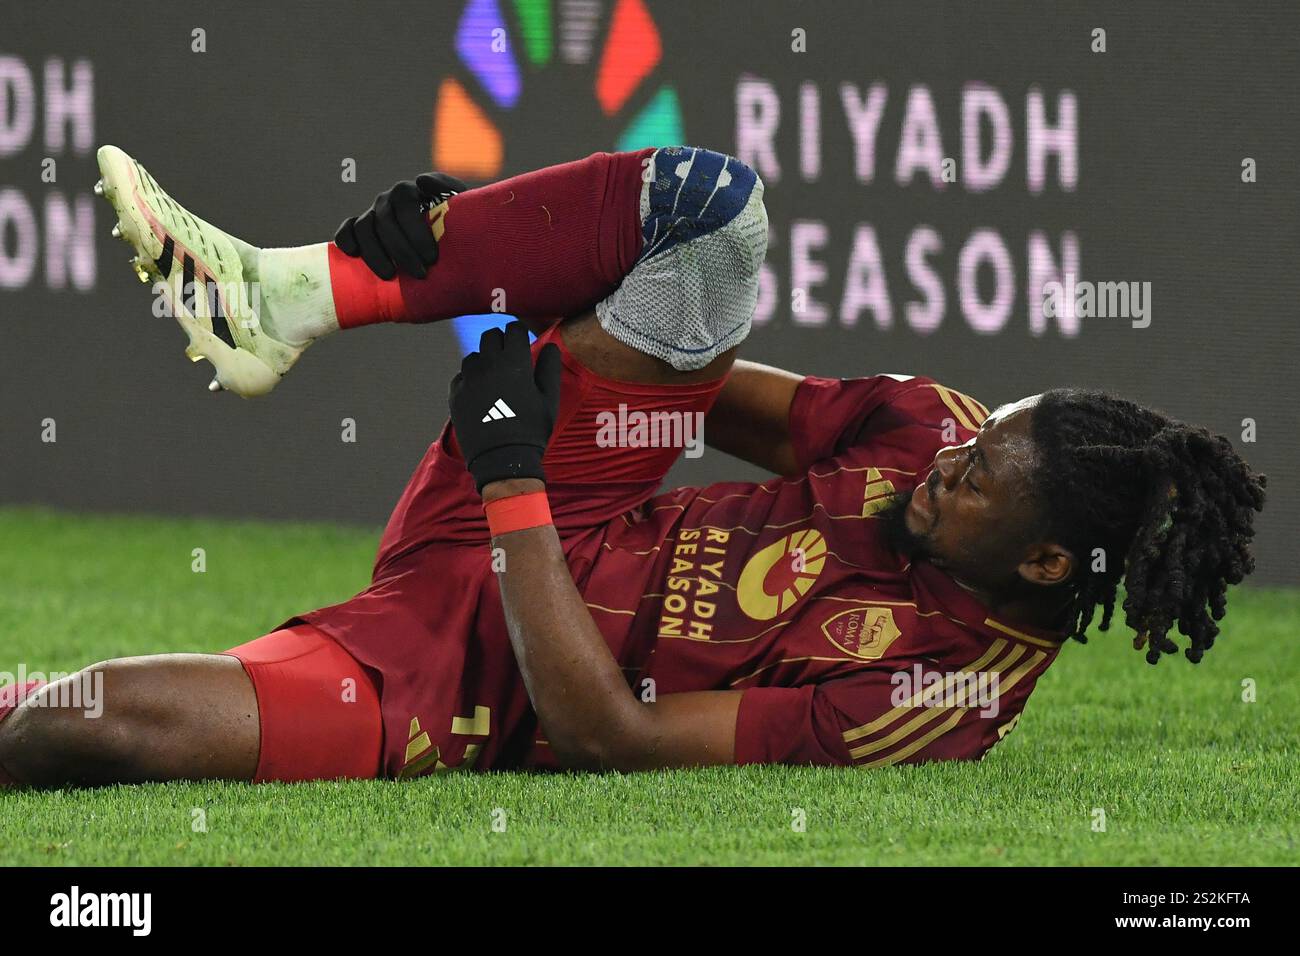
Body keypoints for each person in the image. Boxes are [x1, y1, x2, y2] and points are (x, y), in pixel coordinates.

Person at [0, 145, 1265, 786]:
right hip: (576, 495)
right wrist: (474, 249)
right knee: (711, 214)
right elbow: (692, 376)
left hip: (484, 676)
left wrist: (509, 479)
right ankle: (293, 291)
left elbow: (605, 731)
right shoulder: (930, 427)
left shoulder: (940, 695)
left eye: (982, 475)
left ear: (1046, 561)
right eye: (978, 437)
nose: (951, 458)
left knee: (100, 719)